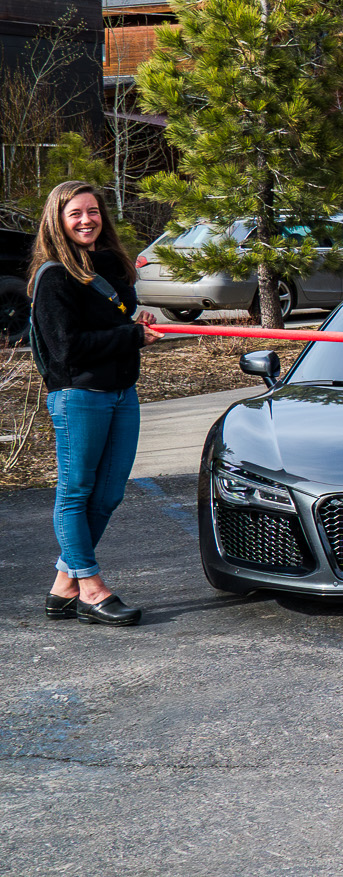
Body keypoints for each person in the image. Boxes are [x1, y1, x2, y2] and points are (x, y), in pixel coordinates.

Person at [30, 180, 163, 627]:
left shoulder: (106, 265)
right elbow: (66, 348)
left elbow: (117, 324)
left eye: (93, 211)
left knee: (109, 494)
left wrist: (134, 329)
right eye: (75, 214)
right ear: (58, 221)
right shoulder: (53, 276)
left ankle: (62, 588)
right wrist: (130, 335)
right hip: (79, 397)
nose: (87, 220)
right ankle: (90, 587)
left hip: (123, 393)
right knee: (75, 493)